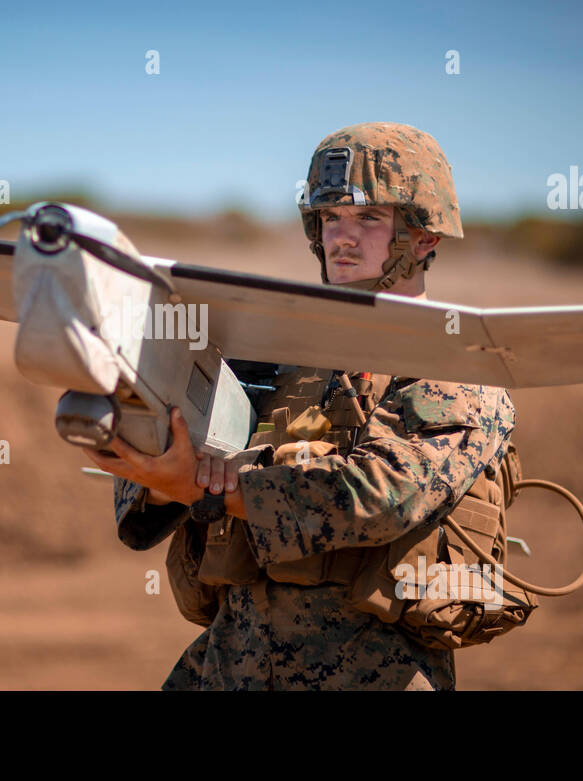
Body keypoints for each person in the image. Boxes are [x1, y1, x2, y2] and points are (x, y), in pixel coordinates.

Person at [82, 123, 517, 690]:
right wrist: (151, 461)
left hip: (371, 670)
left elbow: (382, 495)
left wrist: (206, 487)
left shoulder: (460, 363)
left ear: (423, 237)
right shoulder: (272, 349)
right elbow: (163, 462)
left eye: (368, 218)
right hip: (229, 661)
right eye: (330, 217)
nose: (342, 236)